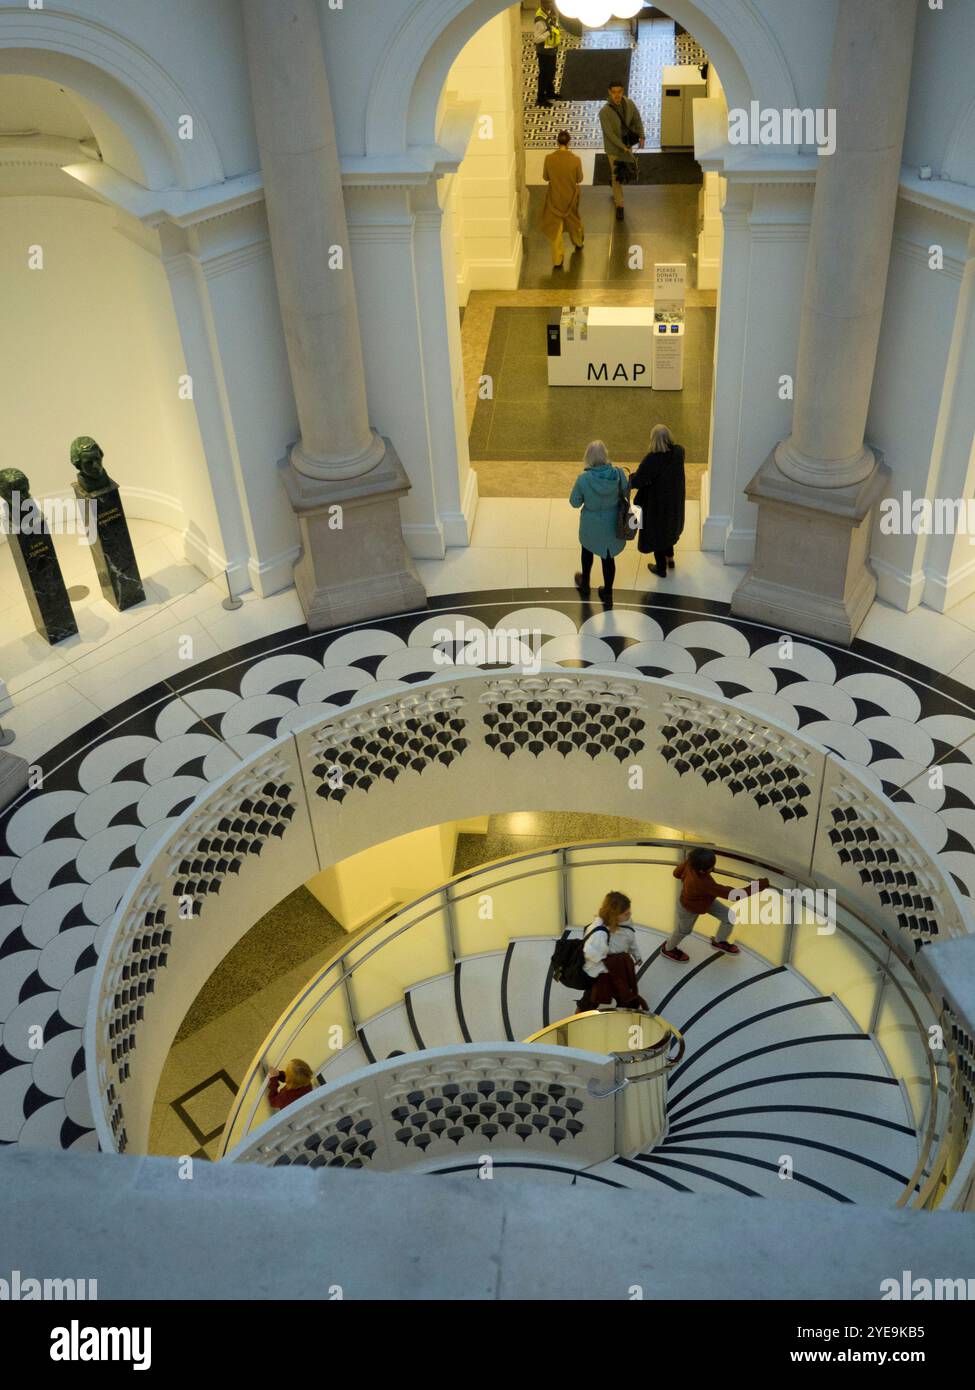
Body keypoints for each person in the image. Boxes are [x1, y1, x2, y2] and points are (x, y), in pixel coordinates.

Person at [662, 848, 770, 963]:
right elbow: (734, 895)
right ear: (703, 871)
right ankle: (668, 949)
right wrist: (759, 885)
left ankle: (719, 941)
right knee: (683, 931)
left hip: (704, 900)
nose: (713, 869)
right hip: (689, 907)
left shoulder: (691, 863)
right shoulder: (704, 883)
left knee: (729, 916)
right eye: (711, 867)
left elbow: (676, 873)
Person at [569, 440, 630, 604]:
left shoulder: (583, 479)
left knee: (587, 552)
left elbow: (574, 502)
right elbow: (626, 490)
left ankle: (585, 584)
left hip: (591, 525)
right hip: (612, 525)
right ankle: (608, 593)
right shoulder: (618, 473)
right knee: (608, 558)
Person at [576, 891, 649, 1012]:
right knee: (592, 998)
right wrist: (606, 965)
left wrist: (637, 955)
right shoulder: (599, 932)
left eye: (629, 912)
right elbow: (590, 954)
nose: (629, 915)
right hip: (603, 972)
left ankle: (628, 1009)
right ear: (614, 915)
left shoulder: (625, 922)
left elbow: (630, 940)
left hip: (615, 969)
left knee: (620, 993)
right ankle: (578, 1019)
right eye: (625, 914)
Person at [629, 423, 686, 577]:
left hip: (656, 505)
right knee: (669, 530)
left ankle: (661, 568)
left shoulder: (651, 460)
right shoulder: (679, 452)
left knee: (657, 535)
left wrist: (630, 478)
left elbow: (637, 481)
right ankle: (671, 559)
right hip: (673, 503)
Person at [599, 81, 645, 220]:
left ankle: (613, 184)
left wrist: (641, 136)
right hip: (614, 149)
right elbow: (609, 134)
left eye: (619, 92)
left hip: (627, 145)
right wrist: (622, 147)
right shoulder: (604, 112)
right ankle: (620, 205)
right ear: (609, 92)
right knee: (616, 177)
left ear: (623, 91)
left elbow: (637, 119)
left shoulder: (629, 104)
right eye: (614, 92)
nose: (617, 95)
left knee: (624, 171)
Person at [542, 130, 584, 269]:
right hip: (570, 197)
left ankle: (557, 259)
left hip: (555, 198)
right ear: (569, 142)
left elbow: (546, 177)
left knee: (556, 229)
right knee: (574, 221)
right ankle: (578, 242)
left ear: (557, 142)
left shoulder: (549, 158)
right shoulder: (576, 159)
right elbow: (579, 179)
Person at [533, 2, 562, 108]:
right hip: (544, 51)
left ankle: (550, 92)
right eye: (549, 3)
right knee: (544, 74)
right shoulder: (540, 20)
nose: (551, 5)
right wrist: (549, 32)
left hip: (552, 49)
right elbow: (536, 38)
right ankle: (540, 98)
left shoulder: (551, 12)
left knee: (551, 71)